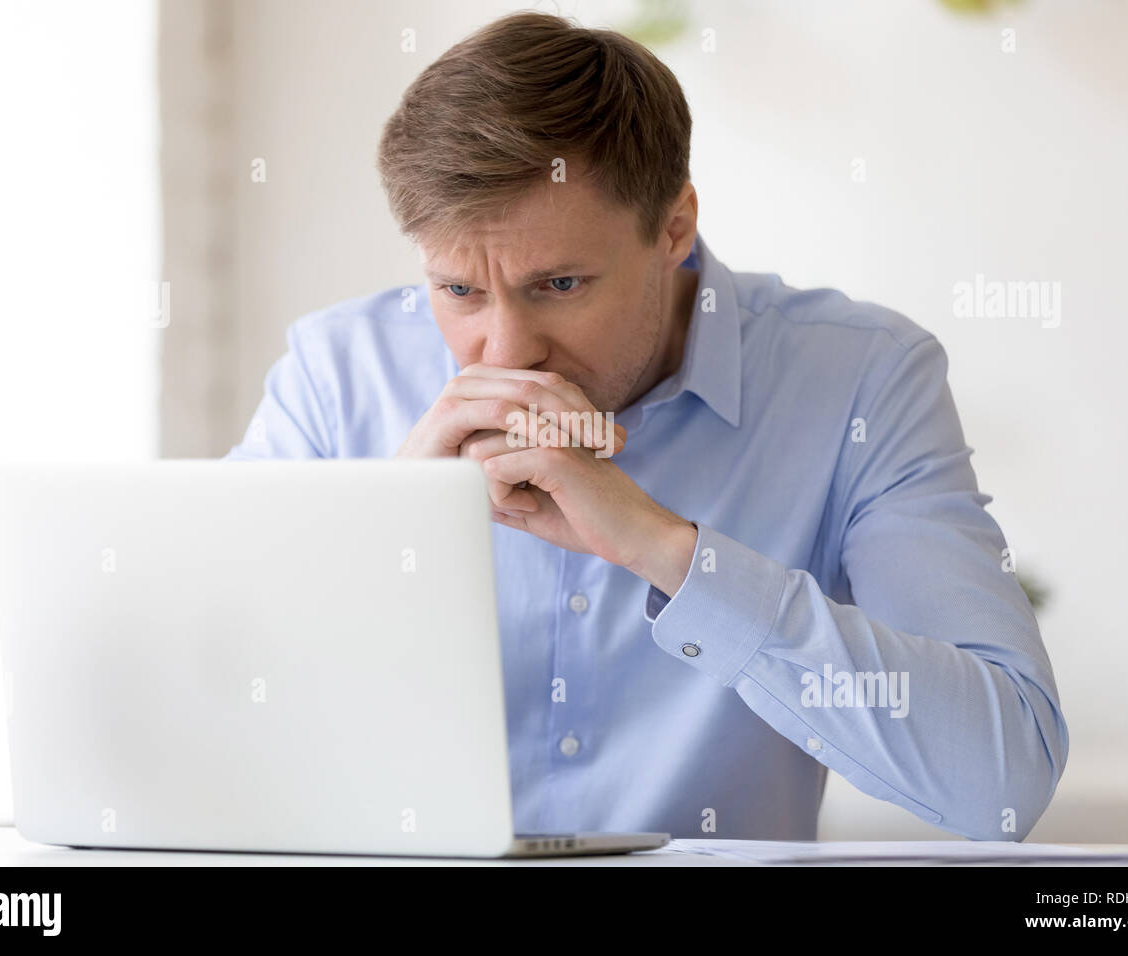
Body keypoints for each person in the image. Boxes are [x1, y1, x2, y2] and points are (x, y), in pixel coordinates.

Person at [225, 11, 1068, 841]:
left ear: (674, 227)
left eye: (559, 284)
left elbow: (1000, 779)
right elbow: (204, 711)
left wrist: (667, 552)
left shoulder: (859, 382)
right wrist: (391, 529)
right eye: (459, 291)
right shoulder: (337, 378)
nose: (508, 349)